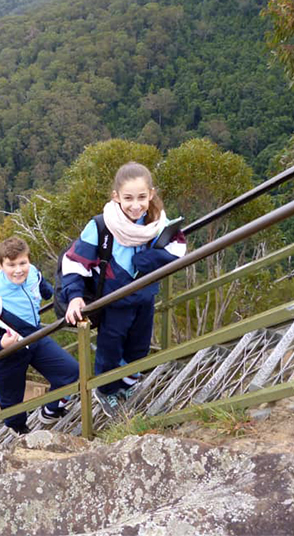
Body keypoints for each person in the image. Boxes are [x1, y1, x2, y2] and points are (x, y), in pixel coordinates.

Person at [62, 161, 186, 417]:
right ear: (116, 196)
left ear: (151, 194)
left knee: (139, 347)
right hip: (114, 302)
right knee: (110, 349)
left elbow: (177, 249)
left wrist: (150, 260)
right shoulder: (101, 226)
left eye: (141, 197)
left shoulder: (157, 223)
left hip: (145, 297)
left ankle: (127, 384)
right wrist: (74, 297)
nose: (135, 205)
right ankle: (106, 390)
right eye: (128, 198)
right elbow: (74, 263)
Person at [0, 236, 79, 435]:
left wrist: (50, 294)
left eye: (22, 263)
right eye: (11, 265)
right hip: (8, 351)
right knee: (12, 400)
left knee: (71, 372)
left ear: (28, 260)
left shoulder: (32, 272)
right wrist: (1, 343)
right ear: (1, 266)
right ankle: (18, 429)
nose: (18, 270)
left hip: (34, 336)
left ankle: (50, 411)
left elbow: (41, 285)